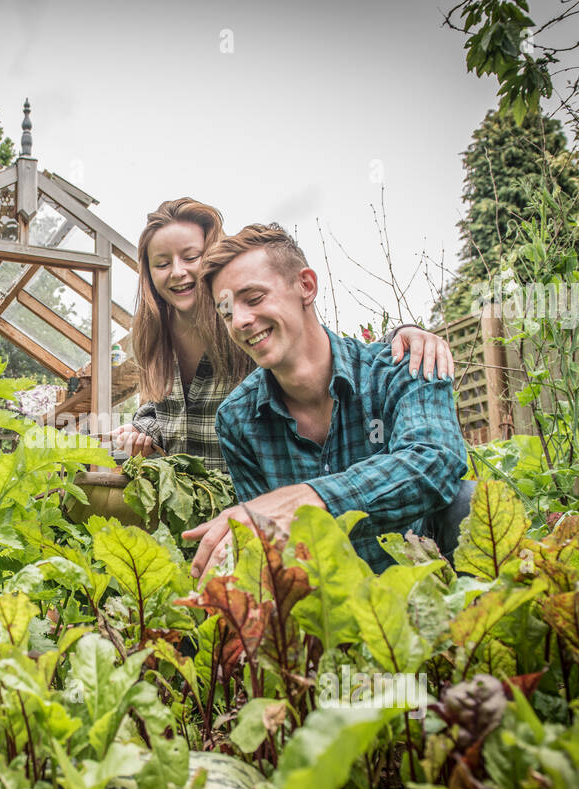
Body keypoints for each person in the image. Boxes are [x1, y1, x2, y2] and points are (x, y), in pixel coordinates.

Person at [183, 223, 472, 577]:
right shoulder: (237, 418)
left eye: (254, 298)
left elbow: (435, 462)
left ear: (306, 286)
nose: (240, 321)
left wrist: (310, 498)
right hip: (326, 607)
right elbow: (266, 543)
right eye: (226, 312)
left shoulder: (402, 368)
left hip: (427, 586)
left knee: (467, 502)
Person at [108, 198, 455, 471]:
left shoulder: (244, 327)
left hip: (252, 497)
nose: (178, 272)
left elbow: (317, 351)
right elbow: (158, 410)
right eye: (162, 263)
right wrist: (144, 429)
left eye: (191, 257)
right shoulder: (153, 340)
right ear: (149, 273)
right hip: (185, 508)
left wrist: (403, 333)